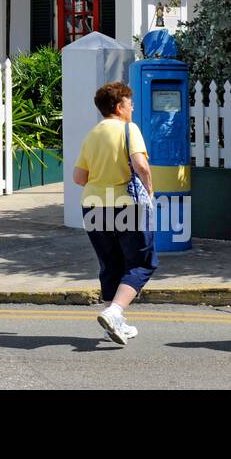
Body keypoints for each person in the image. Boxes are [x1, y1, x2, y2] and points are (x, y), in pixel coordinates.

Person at [72, 81, 157, 346]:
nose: (132, 108)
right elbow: (141, 165)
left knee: (110, 263)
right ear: (119, 107)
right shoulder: (129, 129)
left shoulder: (92, 134)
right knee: (142, 263)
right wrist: (150, 192)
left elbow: (79, 177)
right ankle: (115, 311)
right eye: (130, 104)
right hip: (126, 204)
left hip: (93, 204)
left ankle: (114, 323)